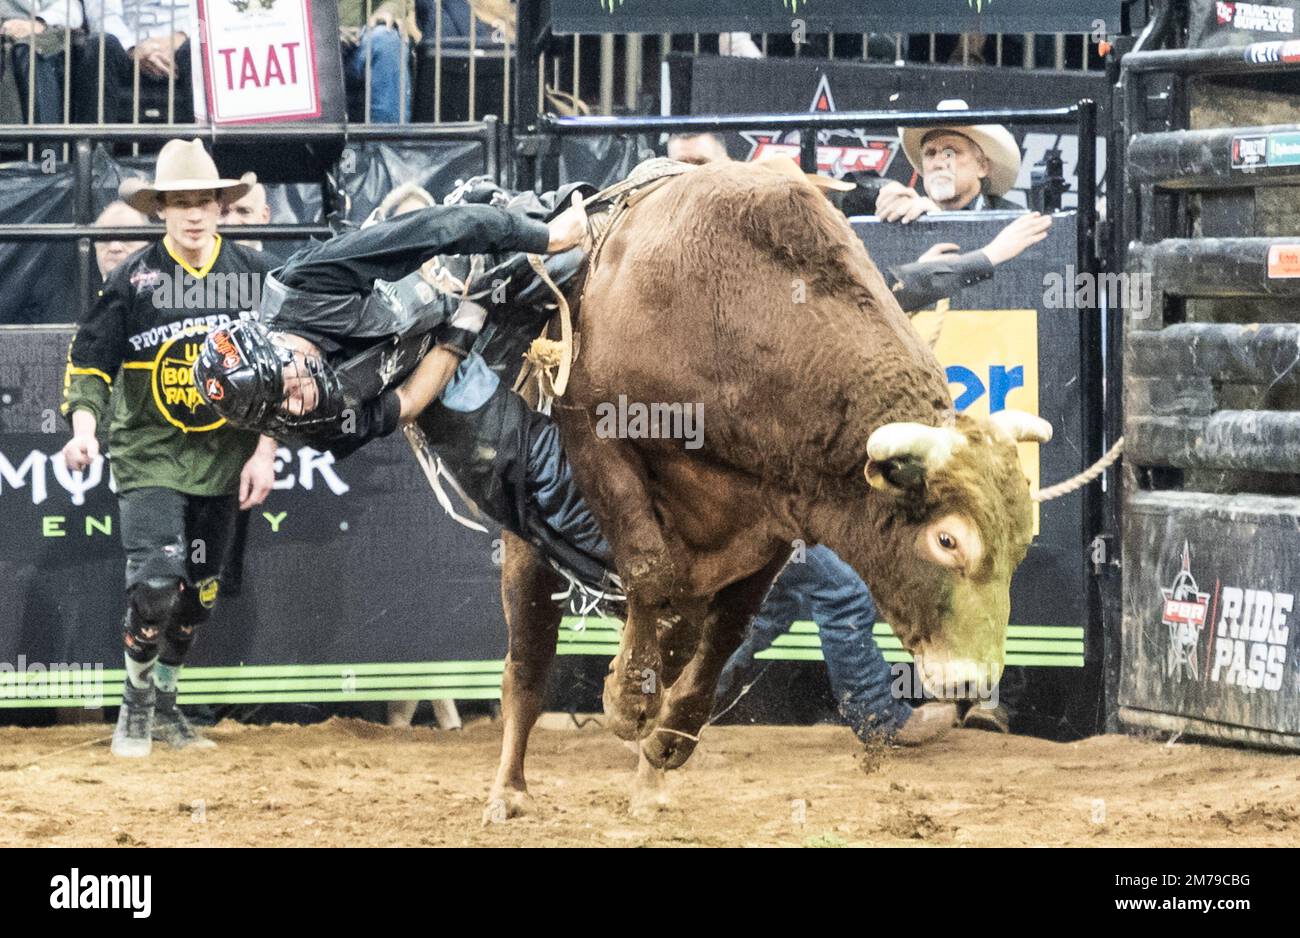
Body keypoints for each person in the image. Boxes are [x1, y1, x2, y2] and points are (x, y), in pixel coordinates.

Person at [61, 139, 278, 758]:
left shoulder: (256, 278)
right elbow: (91, 361)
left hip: (226, 461)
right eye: (179, 202)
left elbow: (285, 374)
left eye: (202, 201)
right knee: (155, 585)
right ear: (161, 210)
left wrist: (264, 454)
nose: (192, 213)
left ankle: (166, 708)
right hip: (149, 453)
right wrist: (83, 430)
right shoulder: (133, 279)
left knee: (198, 598)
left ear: (218, 205)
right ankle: (134, 705)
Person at [875, 98, 1023, 224]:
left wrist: (939, 221)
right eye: (930, 153)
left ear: (982, 167)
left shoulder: (1013, 221)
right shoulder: (907, 216)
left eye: (950, 152)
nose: (938, 163)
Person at [78, 1, 195, 124]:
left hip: (186, 44)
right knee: (101, 45)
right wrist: (133, 49)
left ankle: (208, 141)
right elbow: (103, 15)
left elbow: (214, 12)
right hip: (127, 50)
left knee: (201, 48)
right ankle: (97, 141)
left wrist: (181, 37)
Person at [0, 1, 84, 124]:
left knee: (30, 52)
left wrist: (39, 22)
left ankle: (45, 141)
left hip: (37, 31)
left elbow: (69, 8)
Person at [340, 0, 417, 123]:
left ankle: (387, 140)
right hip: (306, 52)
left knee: (387, 41)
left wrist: (386, 12)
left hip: (355, 45)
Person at [93, 200, 150, 280]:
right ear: (96, 245)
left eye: (126, 237)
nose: (114, 248)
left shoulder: (166, 290)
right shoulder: (83, 289)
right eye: (106, 237)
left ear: (147, 245)